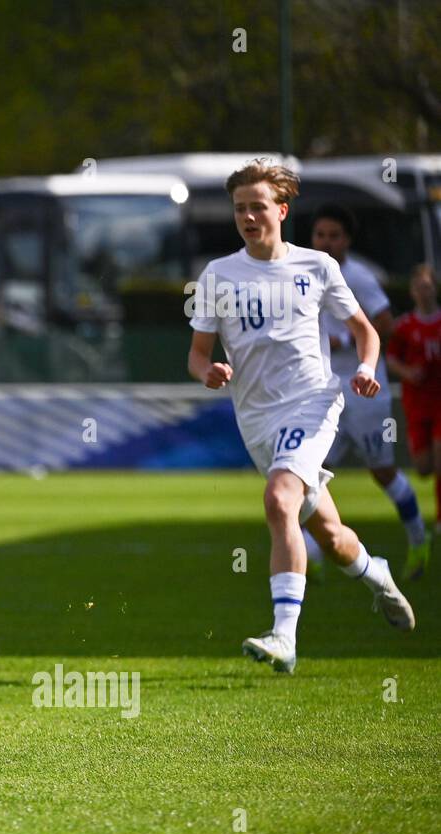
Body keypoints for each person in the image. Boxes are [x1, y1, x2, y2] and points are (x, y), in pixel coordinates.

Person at [186, 161, 415, 674]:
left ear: (281, 210)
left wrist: (366, 367)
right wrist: (209, 371)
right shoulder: (218, 275)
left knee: (278, 499)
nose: (247, 215)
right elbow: (197, 352)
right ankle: (375, 574)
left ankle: (284, 637)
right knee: (331, 536)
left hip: (313, 402)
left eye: (257, 206)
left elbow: (366, 330)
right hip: (257, 420)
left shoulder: (317, 266)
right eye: (240, 207)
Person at [303, 204, 427, 580]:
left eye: (334, 235)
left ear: (348, 240)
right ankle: (311, 558)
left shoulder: (358, 276)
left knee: (383, 472)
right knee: (305, 472)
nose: (326, 241)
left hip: (362, 391)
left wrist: (346, 341)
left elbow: (385, 323)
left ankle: (419, 540)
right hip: (322, 393)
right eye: (320, 234)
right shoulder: (304, 272)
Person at [386, 264, 441, 559]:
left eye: (428, 286)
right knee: (422, 468)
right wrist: (409, 372)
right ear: (412, 292)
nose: (424, 291)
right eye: (419, 287)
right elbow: (391, 358)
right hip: (416, 402)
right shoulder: (404, 326)